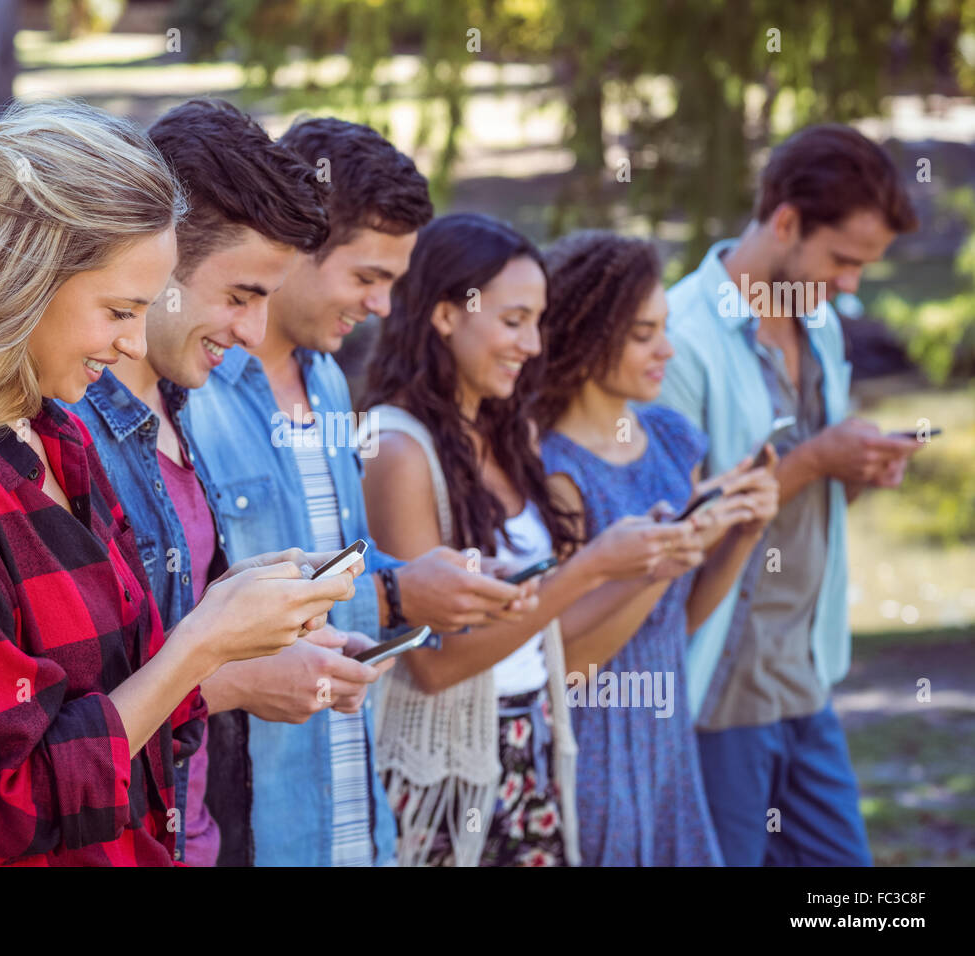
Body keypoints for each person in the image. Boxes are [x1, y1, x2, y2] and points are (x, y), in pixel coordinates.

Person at [0, 100, 355, 866]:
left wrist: (224, 617)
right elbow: (8, 810)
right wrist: (199, 645)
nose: (130, 341)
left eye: (144, 312)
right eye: (119, 310)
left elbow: (127, 709)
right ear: (18, 283)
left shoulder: (56, 441)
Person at [186, 118, 541, 866]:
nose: (382, 307)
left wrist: (408, 584)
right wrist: (396, 596)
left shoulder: (327, 381)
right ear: (298, 247)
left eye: (392, 283)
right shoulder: (190, 390)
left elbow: (334, 566)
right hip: (244, 824)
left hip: (353, 816)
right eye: (367, 278)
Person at [64, 97, 392, 866]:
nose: (250, 332)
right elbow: (61, 727)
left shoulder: (181, 402)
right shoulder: (66, 433)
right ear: (161, 256)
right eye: (239, 295)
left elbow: (157, 637)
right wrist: (238, 679)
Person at [359, 213, 708, 867]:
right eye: (514, 320)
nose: (532, 344)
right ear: (443, 315)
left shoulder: (509, 435)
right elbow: (432, 664)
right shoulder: (398, 448)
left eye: (539, 322)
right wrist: (592, 567)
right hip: (443, 781)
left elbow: (549, 643)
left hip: (533, 750)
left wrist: (651, 561)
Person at [655, 124, 924, 866]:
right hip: (718, 690)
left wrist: (857, 471)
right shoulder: (677, 340)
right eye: (842, 259)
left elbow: (809, 497)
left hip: (805, 677)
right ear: (785, 222)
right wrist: (815, 459)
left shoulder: (823, 326)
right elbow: (670, 533)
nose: (850, 284)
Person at [532, 230, 781, 865]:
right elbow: (568, 663)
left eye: (664, 328)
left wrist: (742, 531)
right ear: (587, 336)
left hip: (667, 741)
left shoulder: (672, 438)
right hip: (594, 745)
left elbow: (682, 617)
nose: (667, 350)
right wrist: (658, 566)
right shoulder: (555, 472)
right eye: (644, 335)